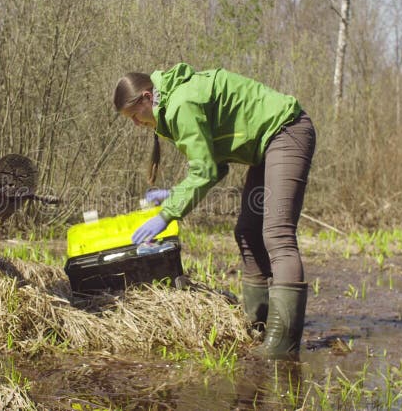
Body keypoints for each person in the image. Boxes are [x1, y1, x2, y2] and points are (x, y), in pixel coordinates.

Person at [113, 63, 316, 359]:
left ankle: (281, 345)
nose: (136, 124)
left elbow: (204, 171)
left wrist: (166, 213)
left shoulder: (180, 103)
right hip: (266, 144)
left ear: (146, 97)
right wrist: (175, 194)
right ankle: (258, 323)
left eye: (135, 116)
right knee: (247, 231)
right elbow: (214, 166)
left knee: (277, 234)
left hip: (286, 130)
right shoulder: (169, 108)